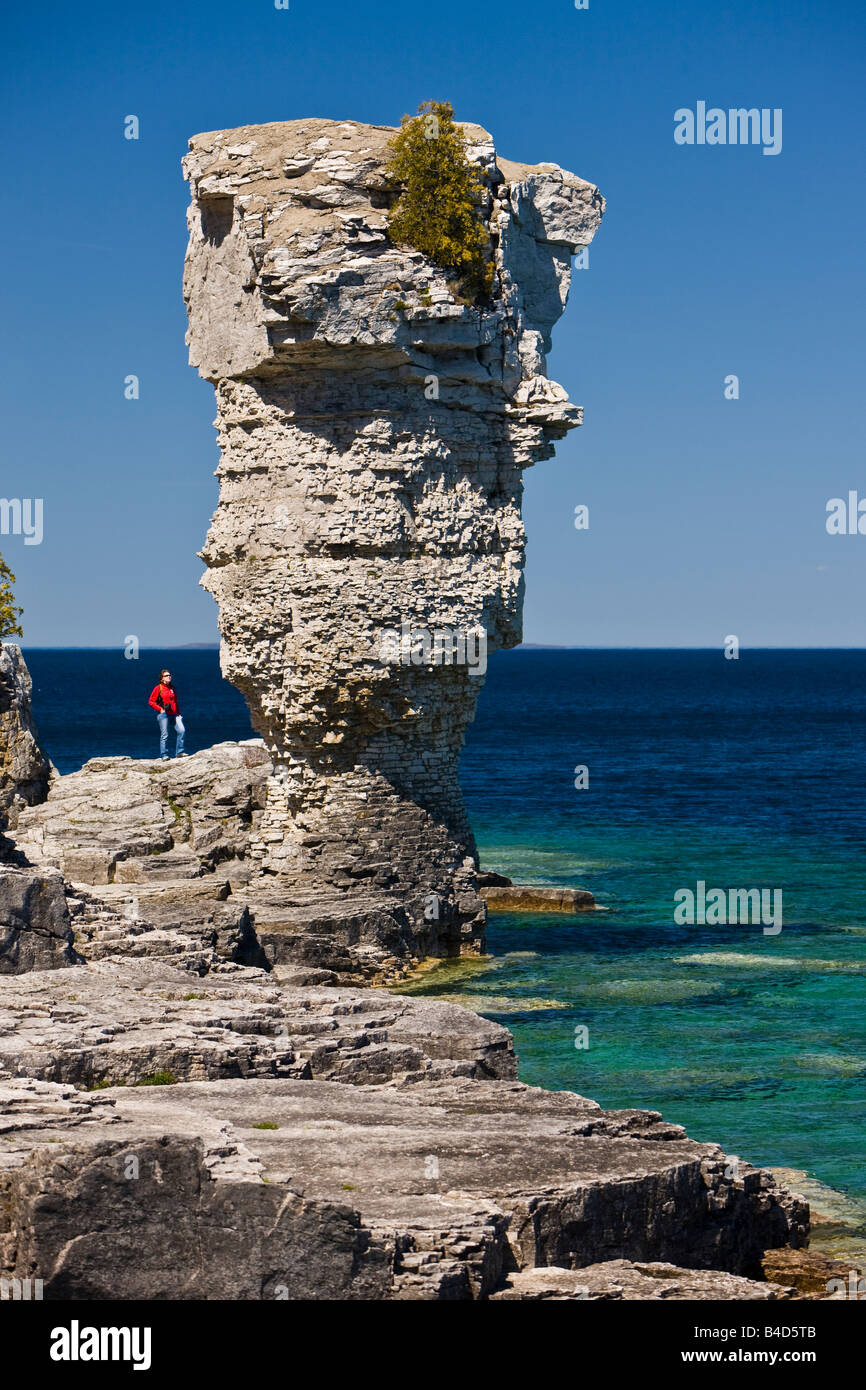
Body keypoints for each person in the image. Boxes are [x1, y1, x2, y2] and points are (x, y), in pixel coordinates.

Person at [148, 669, 186, 760]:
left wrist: (179, 714)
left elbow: (175, 702)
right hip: (164, 715)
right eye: (166, 675)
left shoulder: (173, 688)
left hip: (174, 714)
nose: (169, 676)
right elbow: (151, 701)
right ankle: (164, 755)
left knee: (182, 730)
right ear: (162, 679)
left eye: (169, 675)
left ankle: (179, 752)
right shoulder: (158, 688)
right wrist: (160, 709)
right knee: (165, 735)